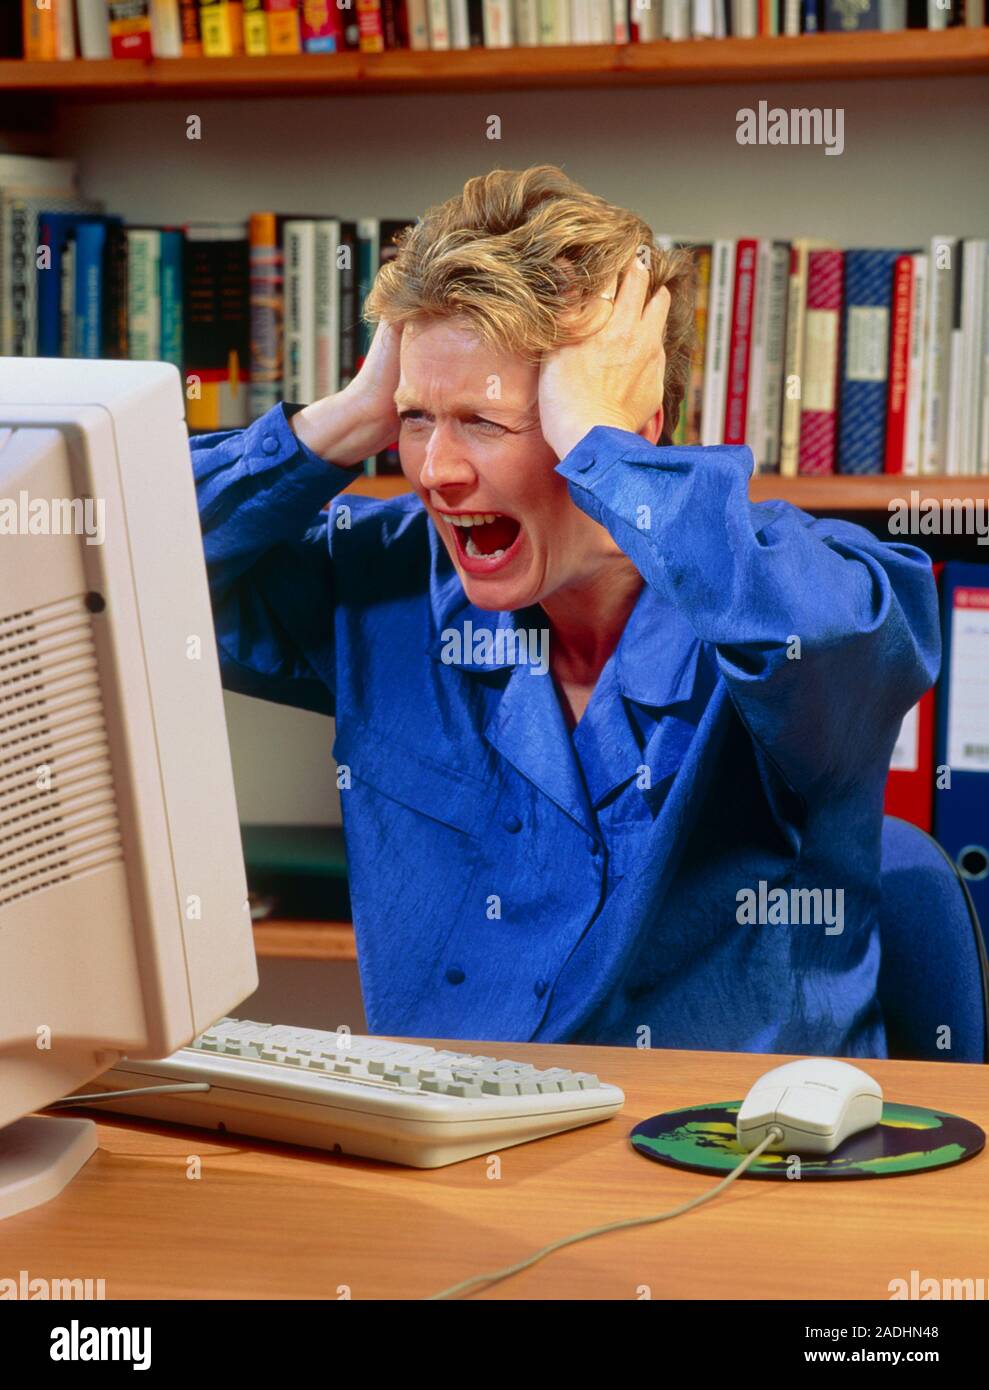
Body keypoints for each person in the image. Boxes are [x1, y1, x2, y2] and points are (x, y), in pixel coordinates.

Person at [191, 165, 940, 1055]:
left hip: (725, 1166)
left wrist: (598, 445)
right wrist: (348, 418)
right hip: (446, 1162)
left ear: (629, 426)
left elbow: (832, 638)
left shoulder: (794, 584)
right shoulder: (386, 580)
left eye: (487, 420)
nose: (434, 472)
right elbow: (114, 577)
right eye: (419, 418)